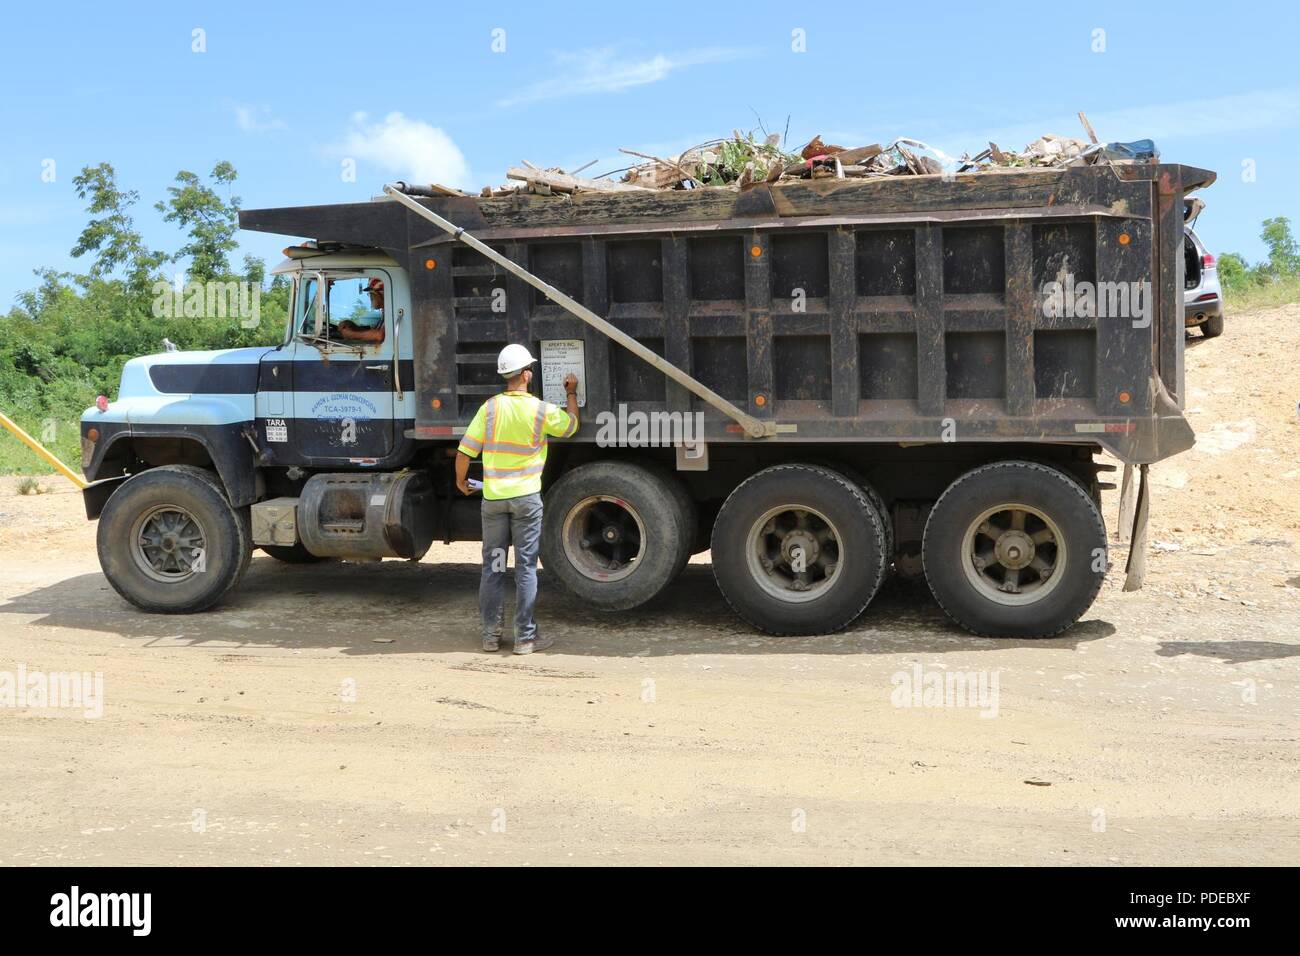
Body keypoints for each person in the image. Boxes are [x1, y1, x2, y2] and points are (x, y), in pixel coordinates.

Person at [456, 345, 579, 654]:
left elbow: (464, 452)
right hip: (526, 502)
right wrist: (572, 394)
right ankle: (525, 637)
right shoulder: (540, 410)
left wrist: (461, 481)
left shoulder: (490, 408)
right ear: (526, 375)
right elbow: (571, 426)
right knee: (525, 568)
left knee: (494, 567)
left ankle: (490, 635)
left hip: (494, 502)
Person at [336, 277, 386, 344]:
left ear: (381, 294)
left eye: (371, 294)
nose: (370, 297)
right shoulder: (385, 313)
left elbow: (379, 335)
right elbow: (374, 331)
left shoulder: (391, 313)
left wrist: (350, 334)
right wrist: (354, 327)